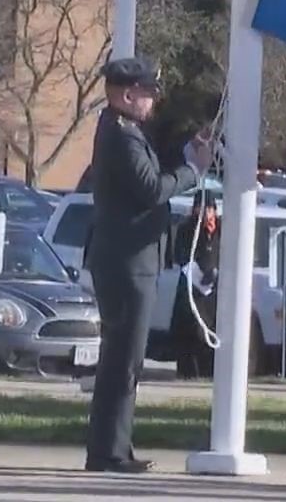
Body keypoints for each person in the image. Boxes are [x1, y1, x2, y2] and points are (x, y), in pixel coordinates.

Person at [83, 57, 214, 475]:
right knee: (124, 359)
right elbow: (151, 189)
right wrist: (192, 171)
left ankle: (113, 446)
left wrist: (183, 155)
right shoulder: (123, 137)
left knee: (125, 358)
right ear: (126, 95)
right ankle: (108, 451)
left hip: (130, 259)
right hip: (126, 262)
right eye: (146, 94)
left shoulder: (126, 133)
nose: (152, 102)